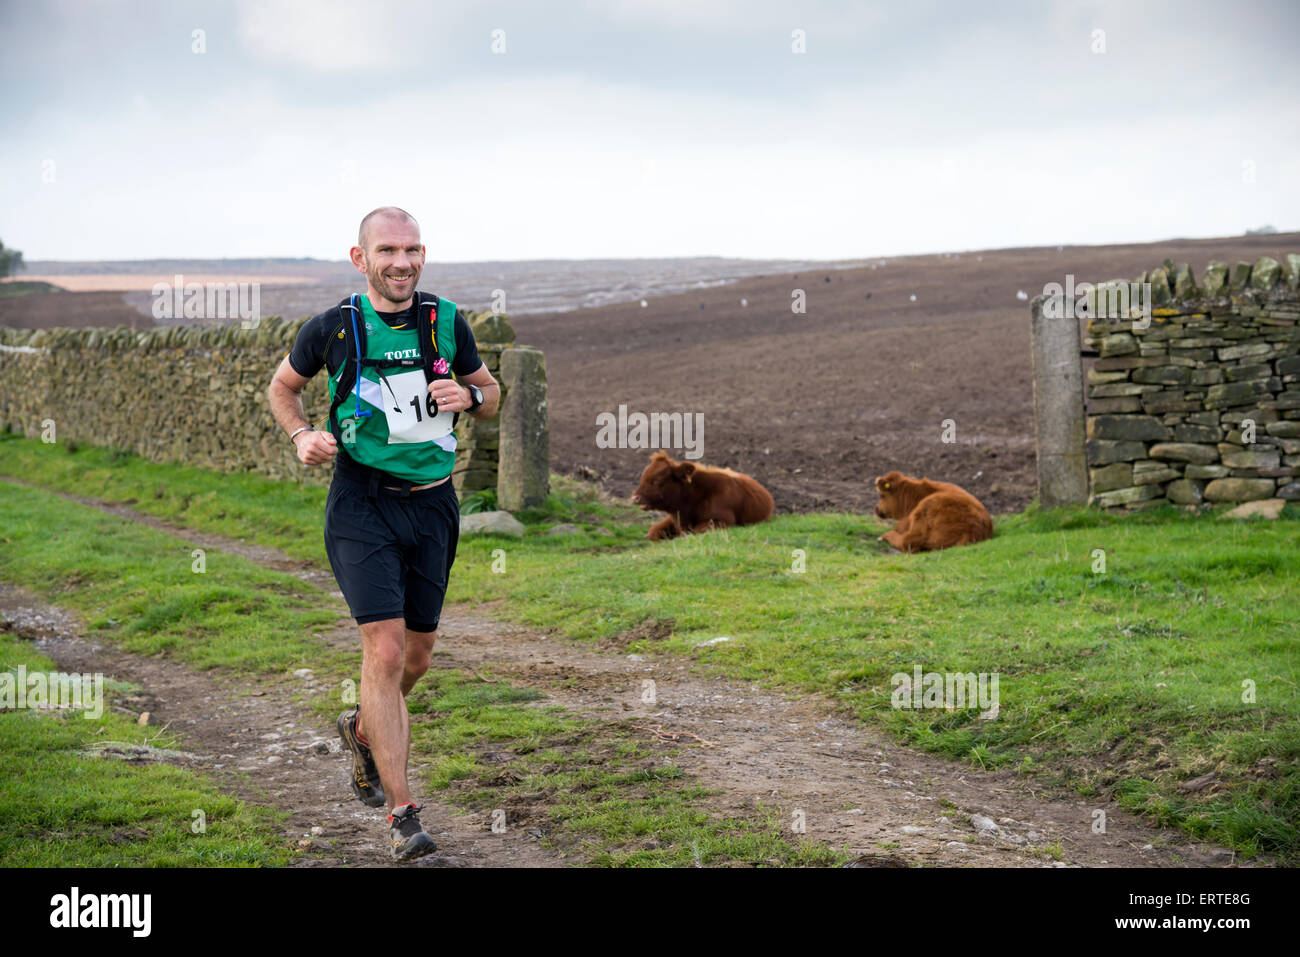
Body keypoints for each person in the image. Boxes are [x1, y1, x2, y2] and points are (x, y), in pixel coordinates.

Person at [267, 206, 500, 860]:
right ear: (359, 257)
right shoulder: (334, 328)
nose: (402, 261)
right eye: (388, 250)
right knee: (388, 650)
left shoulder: (446, 322)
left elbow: (491, 390)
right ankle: (403, 814)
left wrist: (472, 399)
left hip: (433, 505)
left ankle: (365, 731)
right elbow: (282, 389)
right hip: (362, 504)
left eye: (413, 249)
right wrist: (302, 433)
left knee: (419, 657)